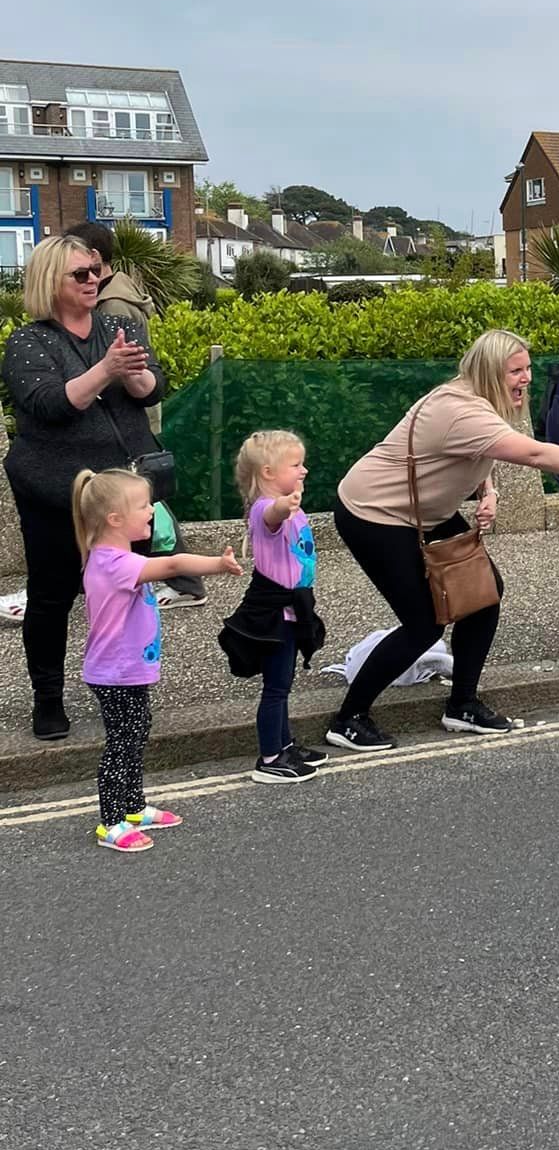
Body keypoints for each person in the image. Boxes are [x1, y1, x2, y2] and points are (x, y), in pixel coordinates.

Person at [327, 329, 559, 752]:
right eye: (516, 370)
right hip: (373, 514)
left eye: (528, 368)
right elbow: (533, 454)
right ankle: (348, 719)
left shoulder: (481, 402)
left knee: (483, 594)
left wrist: (489, 492)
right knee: (424, 624)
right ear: (488, 371)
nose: (527, 378)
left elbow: (480, 453)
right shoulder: (459, 410)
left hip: (425, 514)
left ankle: (461, 703)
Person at [2, 234, 168, 740]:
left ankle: (124, 689)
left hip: (120, 493)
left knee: (127, 592)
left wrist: (137, 377)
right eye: (80, 273)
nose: (93, 279)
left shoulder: (118, 324)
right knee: (53, 597)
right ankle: (47, 697)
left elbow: (153, 386)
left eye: (95, 270)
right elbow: (51, 404)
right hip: (57, 492)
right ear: (51, 281)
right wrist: (106, 369)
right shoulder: (28, 341)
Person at [71, 466, 241, 851]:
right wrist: (217, 564)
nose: (152, 510)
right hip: (114, 673)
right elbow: (174, 565)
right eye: (144, 505)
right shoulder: (115, 564)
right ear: (115, 519)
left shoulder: (114, 557)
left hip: (126, 671)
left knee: (136, 732)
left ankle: (132, 807)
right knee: (122, 743)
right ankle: (110, 822)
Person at [63, 219, 206, 610]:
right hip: (128, 414)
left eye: (82, 265)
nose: (84, 278)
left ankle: (183, 581)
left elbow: (135, 371)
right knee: (141, 497)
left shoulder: (110, 305)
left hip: (126, 418)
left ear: (94, 259)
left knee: (143, 500)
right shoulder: (123, 292)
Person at [222, 430, 328, 785]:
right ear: (268, 472)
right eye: (296, 465)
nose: (304, 471)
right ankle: (270, 757)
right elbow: (273, 515)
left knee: (285, 683)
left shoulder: (287, 504)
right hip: (275, 614)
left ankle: (285, 744)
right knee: (276, 686)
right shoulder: (265, 508)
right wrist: (287, 505)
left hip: (293, 609)